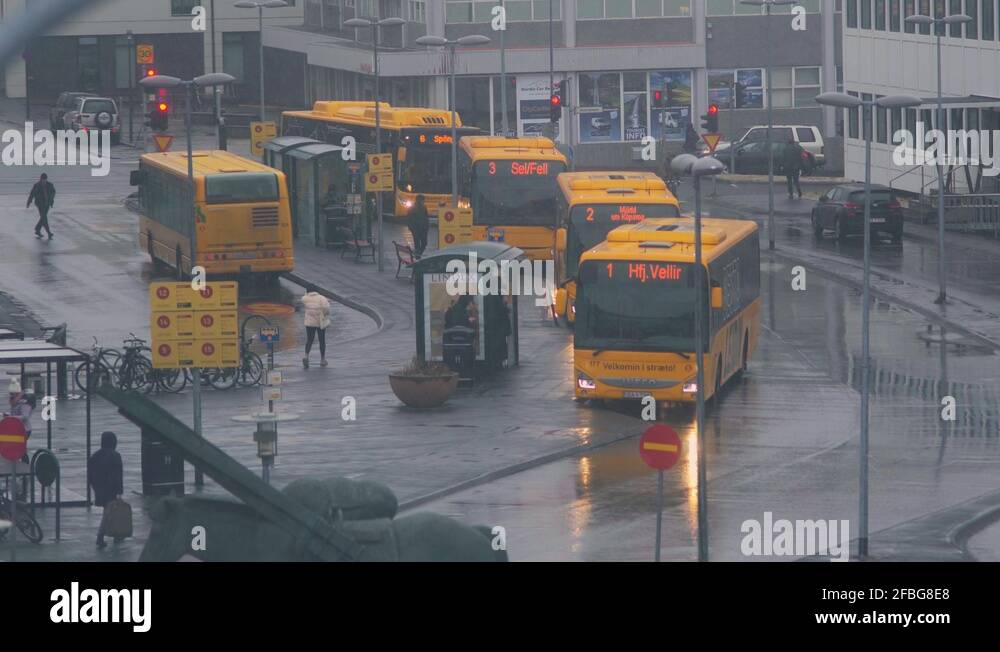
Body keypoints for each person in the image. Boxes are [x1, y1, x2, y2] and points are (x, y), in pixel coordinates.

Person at [88, 431, 124, 549]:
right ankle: (100, 536)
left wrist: (94, 486)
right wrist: (119, 491)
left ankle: (116, 534)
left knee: (108, 511)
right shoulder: (115, 455)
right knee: (108, 512)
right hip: (111, 488)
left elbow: (90, 474)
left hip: (99, 488)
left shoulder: (95, 455)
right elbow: (118, 475)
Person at [301, 291, 331, 368]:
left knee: (309, 340)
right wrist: (324, 313)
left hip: (309, 323)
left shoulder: (305, 298)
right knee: (322, 340)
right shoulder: (322, 298)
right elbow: (327, 308)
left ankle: (306, 356)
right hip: (320, 322)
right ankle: (322, 360)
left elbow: (303, 300)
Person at [27, 173, 56, 239]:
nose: (43, 181)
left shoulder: (50, 185)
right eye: (42, 180)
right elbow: (32, 194)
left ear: (46, 179)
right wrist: (29, 202)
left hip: (47, 204)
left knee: (43, 218)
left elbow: (53, 192)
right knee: (44, 218)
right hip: (40, 205)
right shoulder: (37, 185)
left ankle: (37, 229)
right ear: (40, 179)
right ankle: (49, 233)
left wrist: (51, 199)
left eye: (45, 180)